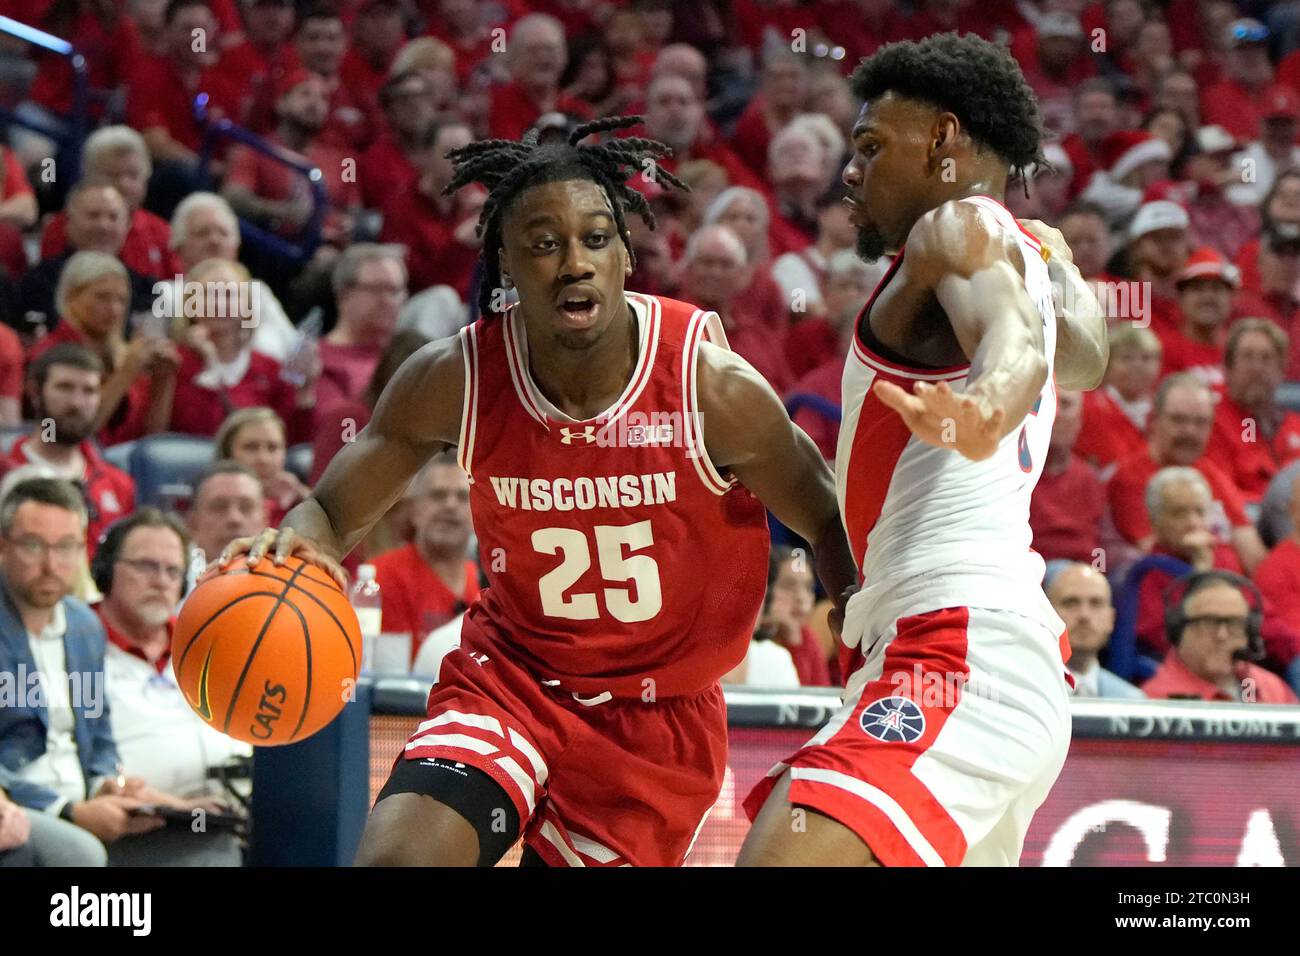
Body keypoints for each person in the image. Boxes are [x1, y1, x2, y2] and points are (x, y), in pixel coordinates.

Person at [207, 115, 857, 868]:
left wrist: (862, 639)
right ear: (506, 267)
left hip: (655, 720)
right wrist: (298, 547)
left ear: (624, 255)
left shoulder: (708, 384)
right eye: (544, 244)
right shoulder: (457, 376)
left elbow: (824, 516)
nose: (574, 262)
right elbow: (329, 511)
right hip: (512, 679)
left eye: (595, 239)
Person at [739, 33, 1108, 868]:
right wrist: (1061, 268)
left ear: (943, 141)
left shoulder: (955, 226)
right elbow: (1084, 352)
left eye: (871, 146)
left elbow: (1012, 340)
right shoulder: (1019, 249)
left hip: (957, 646)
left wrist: (985, 404)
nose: (850, 171)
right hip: (971, 651)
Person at [0, 477, 226, 865]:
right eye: (34, 546)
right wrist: (67, 810)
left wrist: (109, 783)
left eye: (67, 547)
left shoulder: (83, 627)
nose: (52, 565)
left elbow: (99, 735)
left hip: (85, 800)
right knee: (81, 854)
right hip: (22, 803)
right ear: (4, 546)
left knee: (210, 844)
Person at [92, 509, 247, 865]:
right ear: (105, 571)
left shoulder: (206, 641)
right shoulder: (78, 643)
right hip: (145, 822)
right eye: (146, 566)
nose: (161, 581)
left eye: (172, 570)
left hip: (234, 813)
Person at [1106, 372, 1264, 569]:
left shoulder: (1210, 473)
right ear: (1154, 421)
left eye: (1200, 422)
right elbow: (1158, 554)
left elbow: (1252, 554)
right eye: (1179, 420)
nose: (1190, 431)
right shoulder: (1130, 478)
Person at [1, 344, 136, 559]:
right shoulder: (6, 474)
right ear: (35, 392)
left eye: (89, 391)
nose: (77, 403)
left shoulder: (119, 484)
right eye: (64, 387)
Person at [370, 453, 480, 664]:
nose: (450, 505)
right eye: (438, 495)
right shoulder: (382, 577)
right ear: (414, 510)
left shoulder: (488, 584)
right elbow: (389, 679)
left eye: (462, 496)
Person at [1143, 570, 1298, 703]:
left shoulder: (1267, 686)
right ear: (1178, 630)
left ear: (1249, 631)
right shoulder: (1156, 700)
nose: (1222, 635)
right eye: (1209, 622)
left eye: (1234, 623)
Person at [1204, 319, 1300, 502]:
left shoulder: (1296, 425)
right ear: (1228, 369)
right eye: (1247, 357)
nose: (1257, 368)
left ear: (1282, 370)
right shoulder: (1210, 421)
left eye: (1266, 358)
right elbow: (1221, 493)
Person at [317, 245, 408, 416]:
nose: (387, 300)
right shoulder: (316, 361)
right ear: (343, 294)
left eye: (395, 291)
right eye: (376, 289)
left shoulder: (409, 359)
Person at [1045, 562, 1144, 699]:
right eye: (1071, 602)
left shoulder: (1132, 701)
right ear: (1045, 614)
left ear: (1111, 618)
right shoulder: (1022, 693)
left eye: (1096, 603)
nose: (1084, 615)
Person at [1029, 389, 1105, 564]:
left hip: (1083, 576)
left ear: (1080, 421)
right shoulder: (1012, 475)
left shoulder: (1089, 478)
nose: (1056, 413)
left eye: (1065, 404)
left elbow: (1100, 545)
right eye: (1049, 402)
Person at [1074, 323, 1161, 473]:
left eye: (1146, 358)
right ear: (1107, 365)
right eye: (1127, 358)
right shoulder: (1088, 409)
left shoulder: (1165, 413)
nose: (1137, 365)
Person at [214, 407, 309, 527]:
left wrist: (303, 496)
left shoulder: (299, 504)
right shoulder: (213, 505)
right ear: (228, 453)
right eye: (251, 447)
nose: (263, 459)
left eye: (272, 447)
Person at [1158, 246, 1237, 386]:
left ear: (1231, 297)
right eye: (1197, 289)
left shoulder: (1241, 350)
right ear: (1180, 298)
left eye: (1216, 289)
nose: (1208, 297)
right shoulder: (1163, 352)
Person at [185, 460, 267, 565]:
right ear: (193, 523)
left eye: (246, 507)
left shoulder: (288, 576)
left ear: (265, 519)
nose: (234, 518)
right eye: (219, 507)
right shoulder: (166, 576)